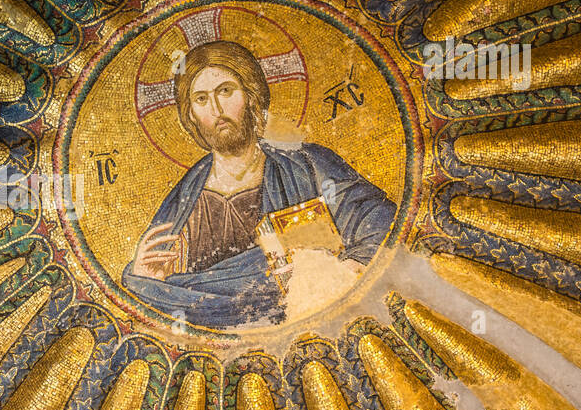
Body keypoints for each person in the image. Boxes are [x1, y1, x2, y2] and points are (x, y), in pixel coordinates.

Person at [122, 40, 395, 327]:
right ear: (190, 114)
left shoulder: (309, 165)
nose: (216, 108)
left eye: (225, 91)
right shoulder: (182, 201)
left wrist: (345, 272)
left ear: (250, 96)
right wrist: (144, 279)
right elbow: (159, 296)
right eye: (201, 99)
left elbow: (381, 223)